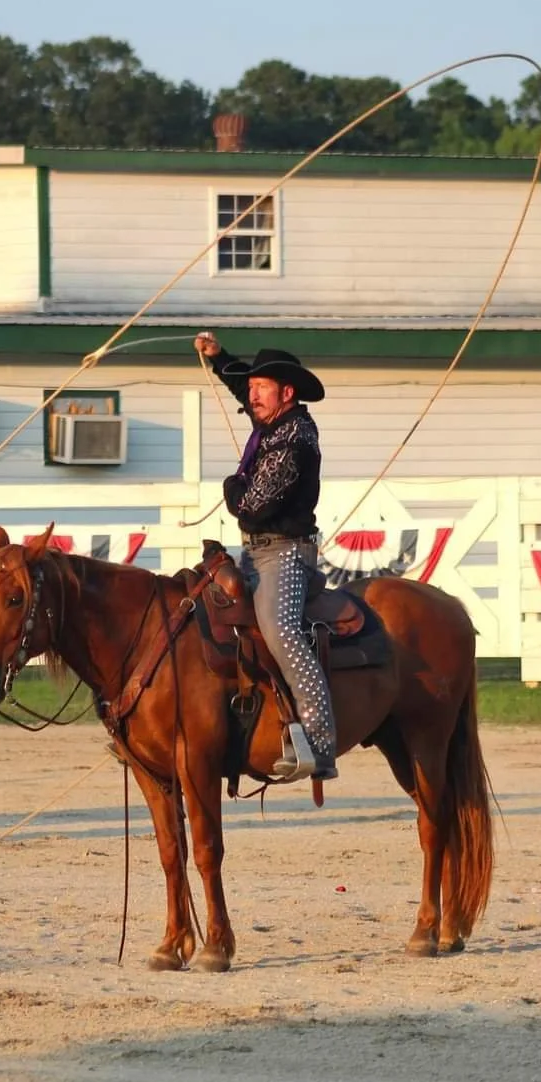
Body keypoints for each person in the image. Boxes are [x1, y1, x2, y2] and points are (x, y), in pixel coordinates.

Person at [194, 331, 338, 782]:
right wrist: (220, 360)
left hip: (286, 554)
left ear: (287, 393)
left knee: (280, 632)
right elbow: (244, 388)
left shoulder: (294, 440)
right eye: (251, 386)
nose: (251, 394)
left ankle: (319, 743)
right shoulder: (274, 425)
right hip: (257, 552)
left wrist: (230, 485)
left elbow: (251, 505)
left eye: (262, 387)